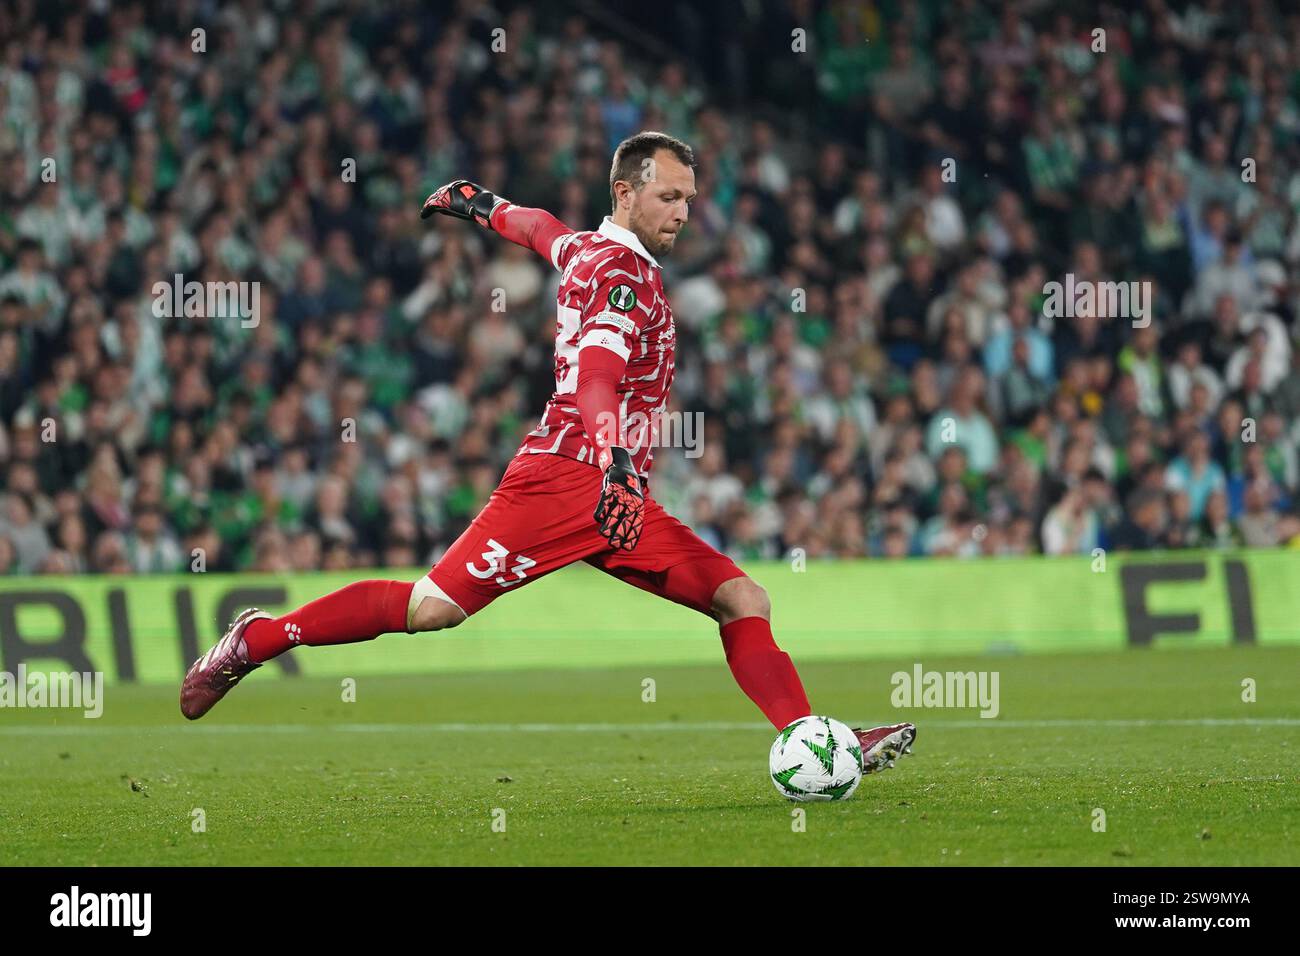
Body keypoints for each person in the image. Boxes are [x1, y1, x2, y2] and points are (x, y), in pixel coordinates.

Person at [179, 131, 916, 776]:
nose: (684, 213)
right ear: (626, 193)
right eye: (668, 197)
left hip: (609, 494)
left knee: (741, 598)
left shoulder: (589, 249)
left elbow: (540, 229)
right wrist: (619, 463)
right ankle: (258, 638)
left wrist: (482, 205)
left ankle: (812, 741)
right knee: (432, 610)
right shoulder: (624, 276)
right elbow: (596, 377)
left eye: (689, 198)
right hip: (569, 481)